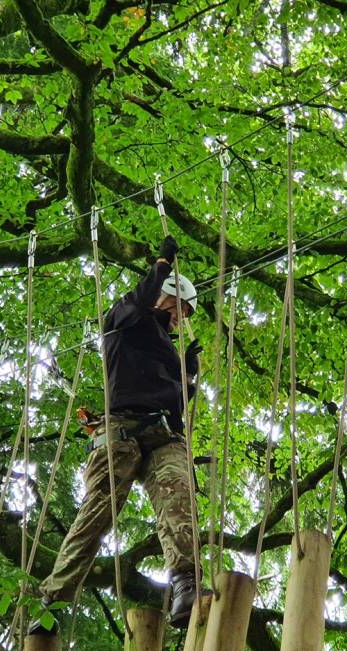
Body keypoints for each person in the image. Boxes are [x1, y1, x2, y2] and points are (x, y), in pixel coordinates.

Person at [36, 235, 203, 629]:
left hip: (163, 435)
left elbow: (172, 399)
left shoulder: (165, 344)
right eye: (181, 308)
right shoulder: (124, 318)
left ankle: (186, 583)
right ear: (166, 298)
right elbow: (140, 300)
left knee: (179, 501)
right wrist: (161, 264)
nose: (183, 317)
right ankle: (51, 602)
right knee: (97, 515)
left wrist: (188, 377)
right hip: (122, 432)